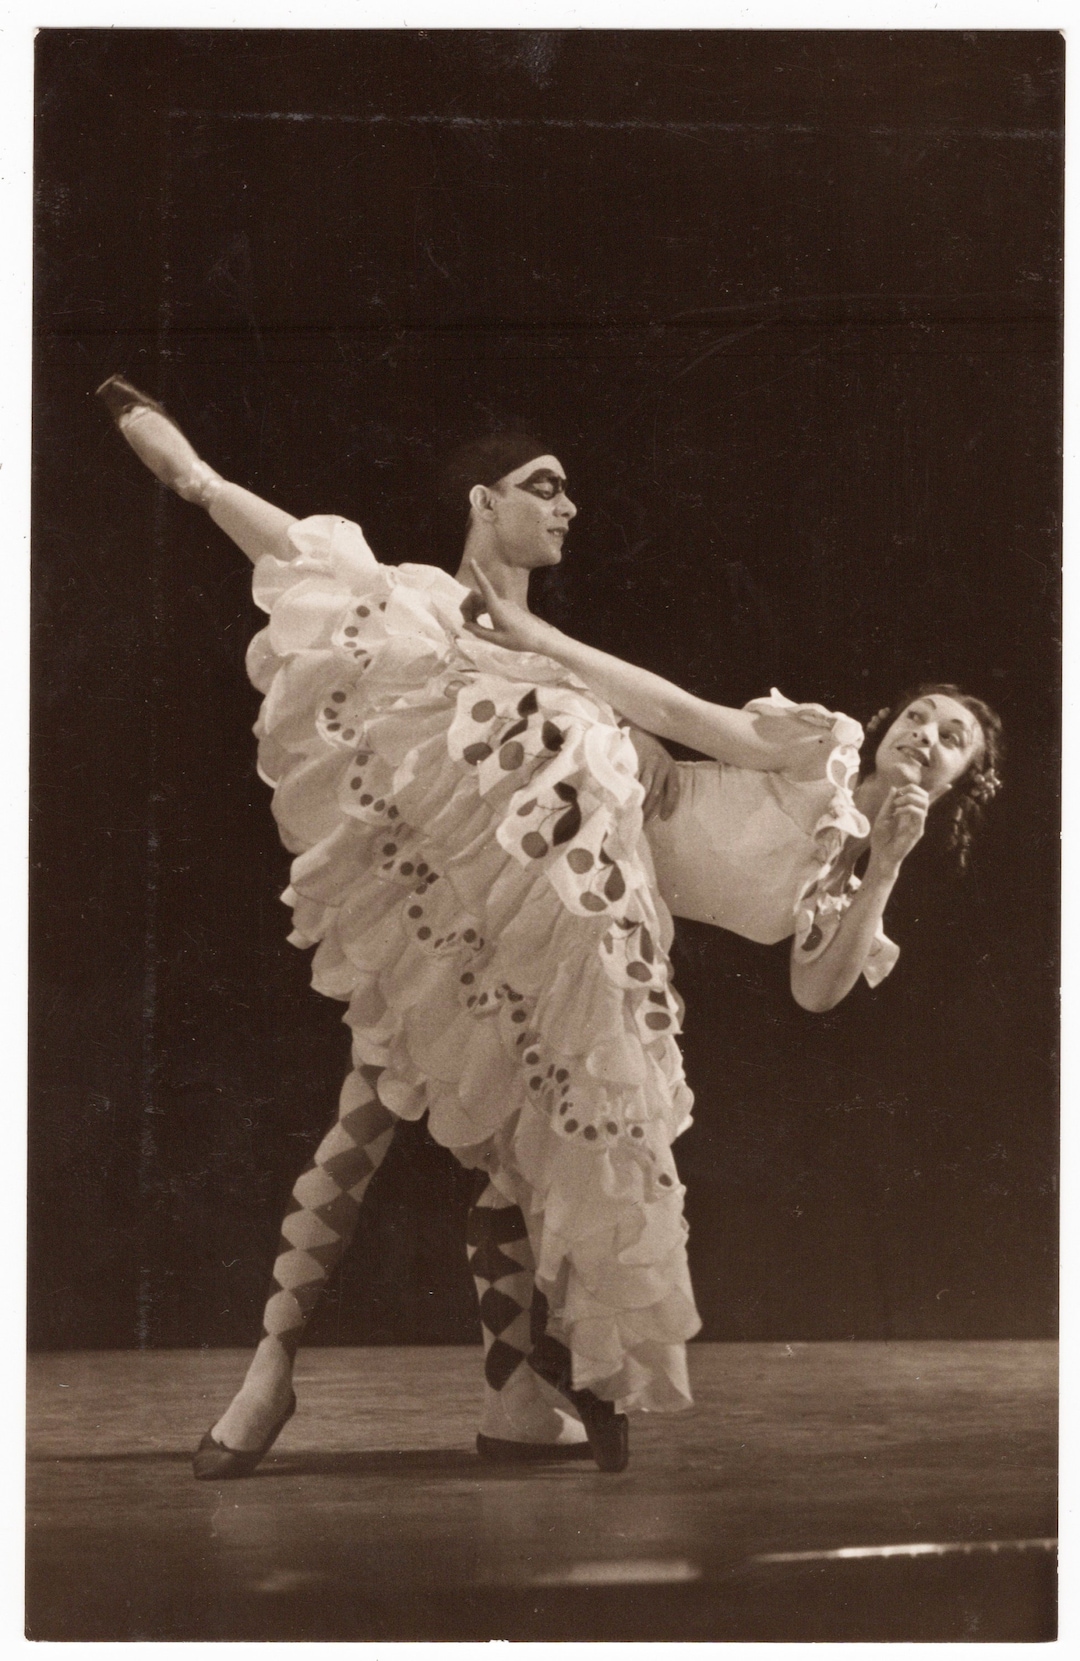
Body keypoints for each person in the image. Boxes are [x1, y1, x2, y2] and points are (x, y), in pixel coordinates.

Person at [97, 376, 691, 1477]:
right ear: (482, 499)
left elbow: (630, 755)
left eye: (570, 493)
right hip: (438, 937)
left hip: (526, 959)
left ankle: (514, 1388)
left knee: (501, 1164)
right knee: (365, 1122)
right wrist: (172, 449)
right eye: (542, 486)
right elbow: (263, 528)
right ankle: (269, 1369)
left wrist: (629, 738)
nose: (566, 507)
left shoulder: (559, 654)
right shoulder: (415, 598)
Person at [463, 562, 1003, 1011]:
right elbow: (679, 712)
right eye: (917, 717)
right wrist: (546, 642)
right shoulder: (820, 756)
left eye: (951, 738)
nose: (924, 734)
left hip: (577, 909)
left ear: (956, 788)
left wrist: (885, 865)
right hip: (563, 809)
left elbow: (814, 995)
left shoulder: (844, 902)